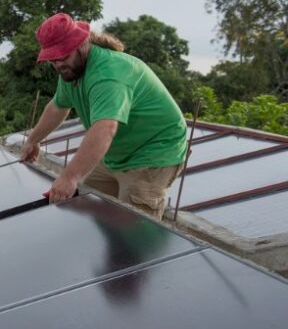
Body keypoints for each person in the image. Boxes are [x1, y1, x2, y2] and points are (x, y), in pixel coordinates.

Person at [20, 13, 188, 220]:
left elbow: (105, 129)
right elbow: (58, 107)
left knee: (132, 229)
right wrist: (33, 140)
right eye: (52, 59)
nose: (58, 64)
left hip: (152, 152)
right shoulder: (71, 70)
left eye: (63, 56)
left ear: (81, 44)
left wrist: (70, 176)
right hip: (116, 153)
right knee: (89, 205)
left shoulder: (108, 75)